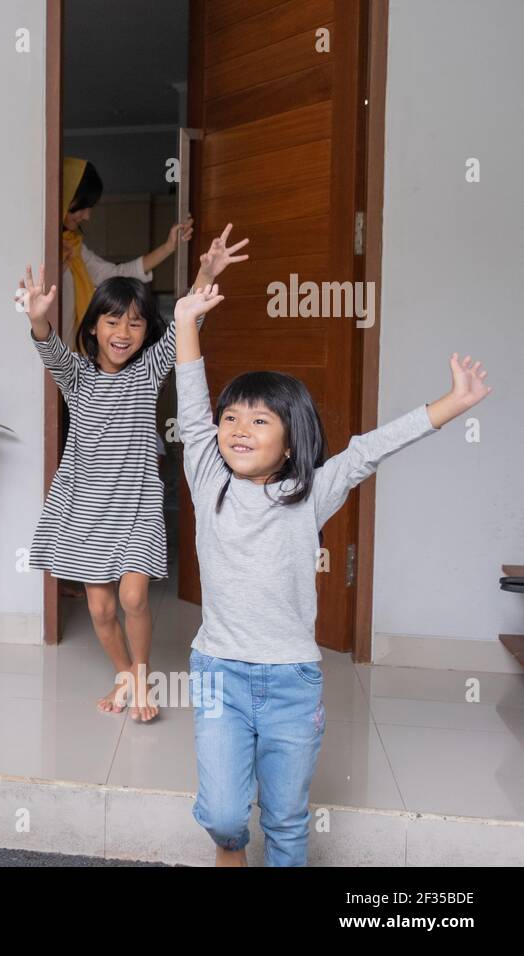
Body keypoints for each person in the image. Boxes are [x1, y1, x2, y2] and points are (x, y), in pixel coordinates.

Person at [172, 283, 492, 866]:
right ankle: (230, 849)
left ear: (293, 441)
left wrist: (451, 404)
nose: (239, 428)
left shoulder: (310, 493)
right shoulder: (207, 479)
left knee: (288, 819)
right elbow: (192, 410)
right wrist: (186, 319)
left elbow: (371, 448)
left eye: (261, 420)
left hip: (292, 682)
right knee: (223, 814)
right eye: (232, 417)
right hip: (219, 672)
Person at [18, 225, 248, 722]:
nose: (123, 333)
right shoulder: (76, 374)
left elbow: (189, 321)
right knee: (101, 610)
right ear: (94, 327)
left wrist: (206, 271)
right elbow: (48, 347)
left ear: (147, 333)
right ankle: (123, 672)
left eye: (136, 324)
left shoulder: (148, 372)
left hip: (137, 503)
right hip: (83, 507)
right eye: (112, 322)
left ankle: (142, 676)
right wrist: (39, 319)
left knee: (134, 595)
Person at [58, 157, 191, 352]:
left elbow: (117, 274)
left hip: (73, 362)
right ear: (62, 199)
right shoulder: (41, 250)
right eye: (80, 207)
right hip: (48, 365)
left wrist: (169, 247)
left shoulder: (76, 250)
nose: (87, 216)